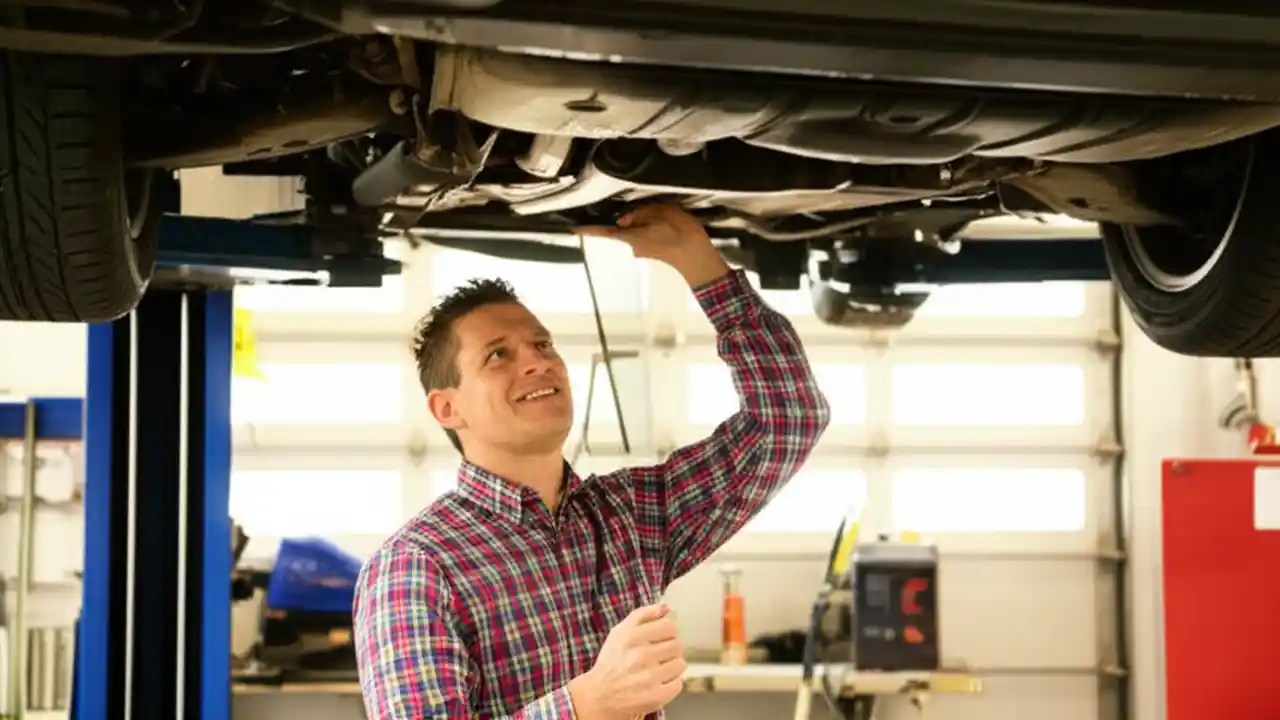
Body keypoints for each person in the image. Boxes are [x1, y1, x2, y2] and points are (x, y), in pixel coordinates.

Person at [352, 204, 831, 719]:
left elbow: (789, 417)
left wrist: (699, 264)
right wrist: (586, 705)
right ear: (447, 408)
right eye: (498, 355)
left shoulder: (631, 514)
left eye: (542, 344)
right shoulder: (416, 567)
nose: (537, 360)